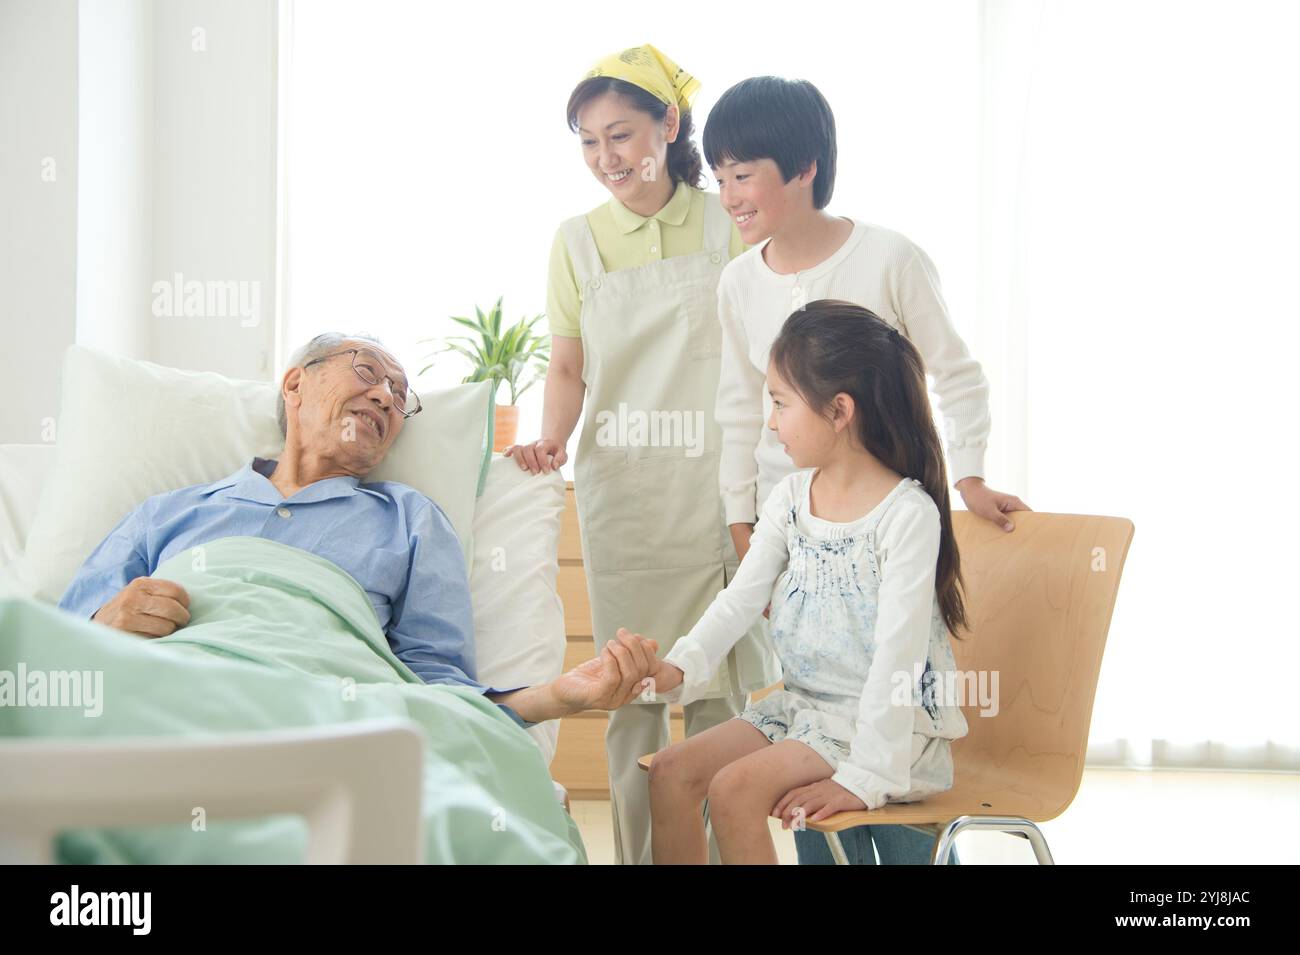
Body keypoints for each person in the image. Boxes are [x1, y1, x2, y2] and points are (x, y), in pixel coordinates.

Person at [702, 74, 1031, 862]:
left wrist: (972, 474)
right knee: (813, 723)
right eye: (718, 178)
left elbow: (956, 373)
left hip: (883, 525)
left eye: (743, 174)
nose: (729, 196)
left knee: (887, 704)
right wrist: (743, 524)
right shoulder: (738, 283)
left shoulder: (890, 258)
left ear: (805, 166)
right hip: (796, 529)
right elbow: (735, 409)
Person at [59, 333, 660, 729]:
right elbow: (52, 656)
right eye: (367, 373)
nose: (385, 396)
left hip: (325, 725)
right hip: (167, 711)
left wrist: (559, 697)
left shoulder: (409, 520)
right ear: (295, 385)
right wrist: (101, 630)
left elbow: (439, 692)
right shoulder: (170, 512)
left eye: (400, 397)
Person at [503, 45, 781, 864]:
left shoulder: (720, 217)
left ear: (669, 123)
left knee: (727, 689)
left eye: (620, 135)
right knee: (634, 691)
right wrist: (553, 436)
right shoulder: (576, 242)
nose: (605, 159)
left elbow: (761, 346)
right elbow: (566, 365)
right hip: (625, 491)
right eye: (588, 143)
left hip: (725, 483)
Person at [641, 302, 970, 864]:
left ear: (839, 410)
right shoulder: (791, 499)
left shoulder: (907, 514)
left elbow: (899, 657)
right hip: (804, 710)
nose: (771, 422)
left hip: (885, 729)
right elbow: (741, 599)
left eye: (779, 402)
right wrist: (681, 665)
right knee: (672, 772)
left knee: (734, 789)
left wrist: (865, 774)